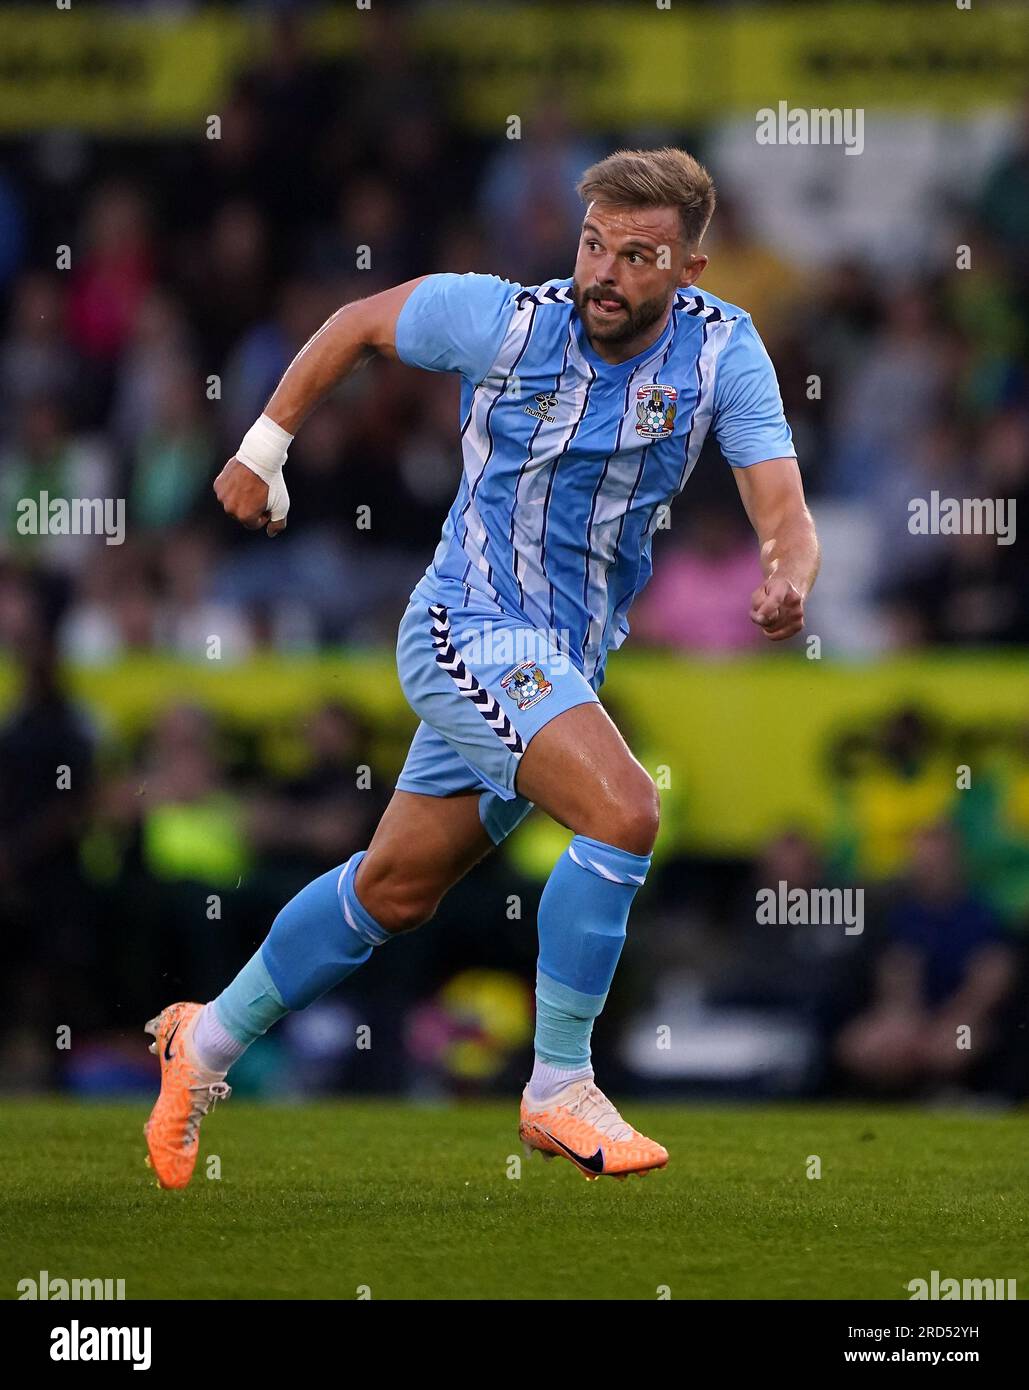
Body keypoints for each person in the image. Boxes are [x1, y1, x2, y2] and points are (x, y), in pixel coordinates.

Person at [144, 147, 820, 1186]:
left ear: (690, 269)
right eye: (595, 243)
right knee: (626, 811)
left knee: (393, 888)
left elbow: (782, 503)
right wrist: (263, 447)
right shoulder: (505, 318)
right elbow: (357, 322)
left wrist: (787, 574)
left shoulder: (724, 353)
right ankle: (558, 1084)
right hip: (467, 625)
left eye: (639, 256)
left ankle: (206, 1045)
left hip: (566, 659)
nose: (606, 271)